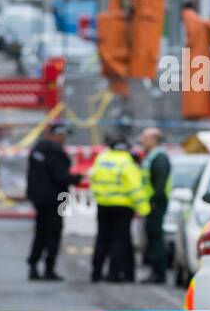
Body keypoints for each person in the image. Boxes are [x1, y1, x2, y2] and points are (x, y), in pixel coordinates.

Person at [89, 136, 149, 283]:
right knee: (119, 241)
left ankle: (96, 273)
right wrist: (144, 209)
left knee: (102, 239)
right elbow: (135, 188)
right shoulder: (127, 163)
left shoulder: (102, 159)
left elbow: (93, 178)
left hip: (103, 204)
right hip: (122, 207)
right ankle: (113, 274)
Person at [26, 120, 75, 281]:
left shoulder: (37, 149)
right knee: (54, 233)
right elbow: (62, 177)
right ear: (58, 134)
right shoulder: (57, 152)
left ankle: (33, 266)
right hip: (59, 199)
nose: (64, 138)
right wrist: (78, 178)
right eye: (63, 135)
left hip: (40, 199)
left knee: (40, 232)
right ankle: (49, 268)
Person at [139, 127, 172, 284]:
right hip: (151, 204)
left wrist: (153, 201)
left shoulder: (159, 158)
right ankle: (155, 272)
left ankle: (158, 273)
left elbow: (159, 184)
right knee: (152, 238)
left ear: (153, 139)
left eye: (145, 138)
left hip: (156, 205)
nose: (142, 141)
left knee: (156, 238)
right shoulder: (152, 157)